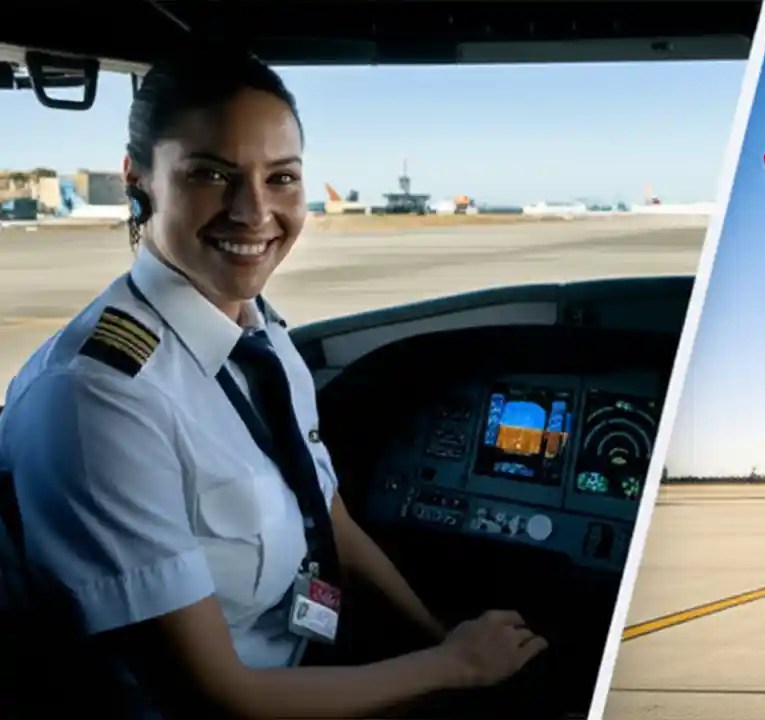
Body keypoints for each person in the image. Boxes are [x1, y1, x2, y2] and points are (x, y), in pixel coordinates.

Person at [0, 48, 546, 718]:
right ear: (137, 178)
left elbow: (329, 517)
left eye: (280, 178)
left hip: (314, 667)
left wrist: (444, 643)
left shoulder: (260, 335)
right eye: (210, 175)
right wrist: (452, 668)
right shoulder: (102, 397)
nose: (253, 211)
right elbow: (217, 695)